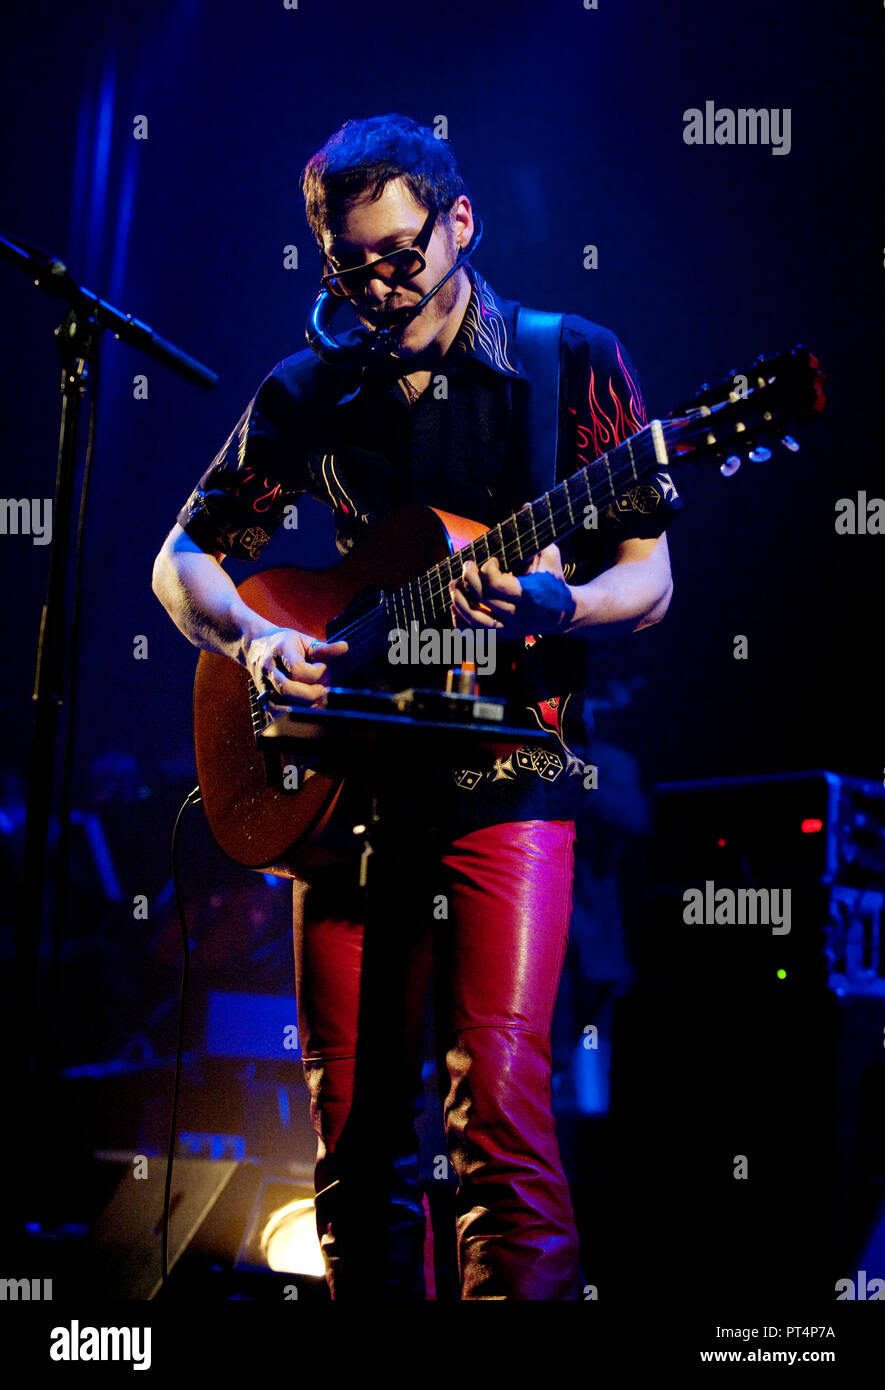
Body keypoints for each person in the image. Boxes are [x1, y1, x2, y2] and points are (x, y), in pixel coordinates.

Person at [151, 113, 682, 1300]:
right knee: (353, 1130)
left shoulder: (571, 359)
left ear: (459, 223)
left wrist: (558, 604)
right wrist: (249, 638)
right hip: (350, 787)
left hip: (510, 770)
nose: (381, 287)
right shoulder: (309, 388)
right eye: (353, 267)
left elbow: (648, 576)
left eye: (402, 255)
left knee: (497, 1100)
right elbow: (178, 563)